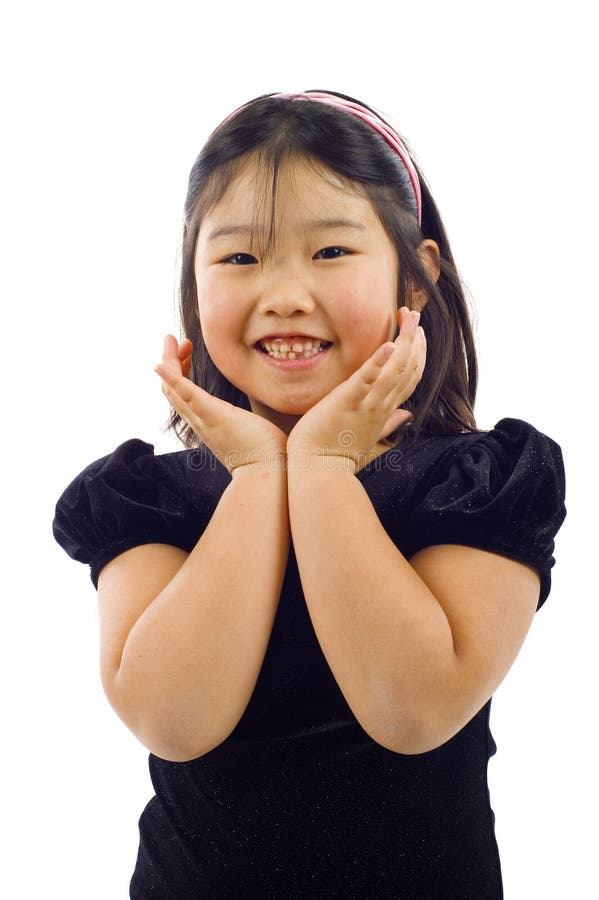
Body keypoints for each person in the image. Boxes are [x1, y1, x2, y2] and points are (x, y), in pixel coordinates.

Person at [52, 90, 567, 899]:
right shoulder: (151, 500)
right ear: (191, 279)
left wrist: (323, 467)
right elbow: (172, 721)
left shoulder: (476, 486)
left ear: (416, 277)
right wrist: (260, 478)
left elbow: (412, 711)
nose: (284, 294)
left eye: (329, 253)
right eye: (239, 258)